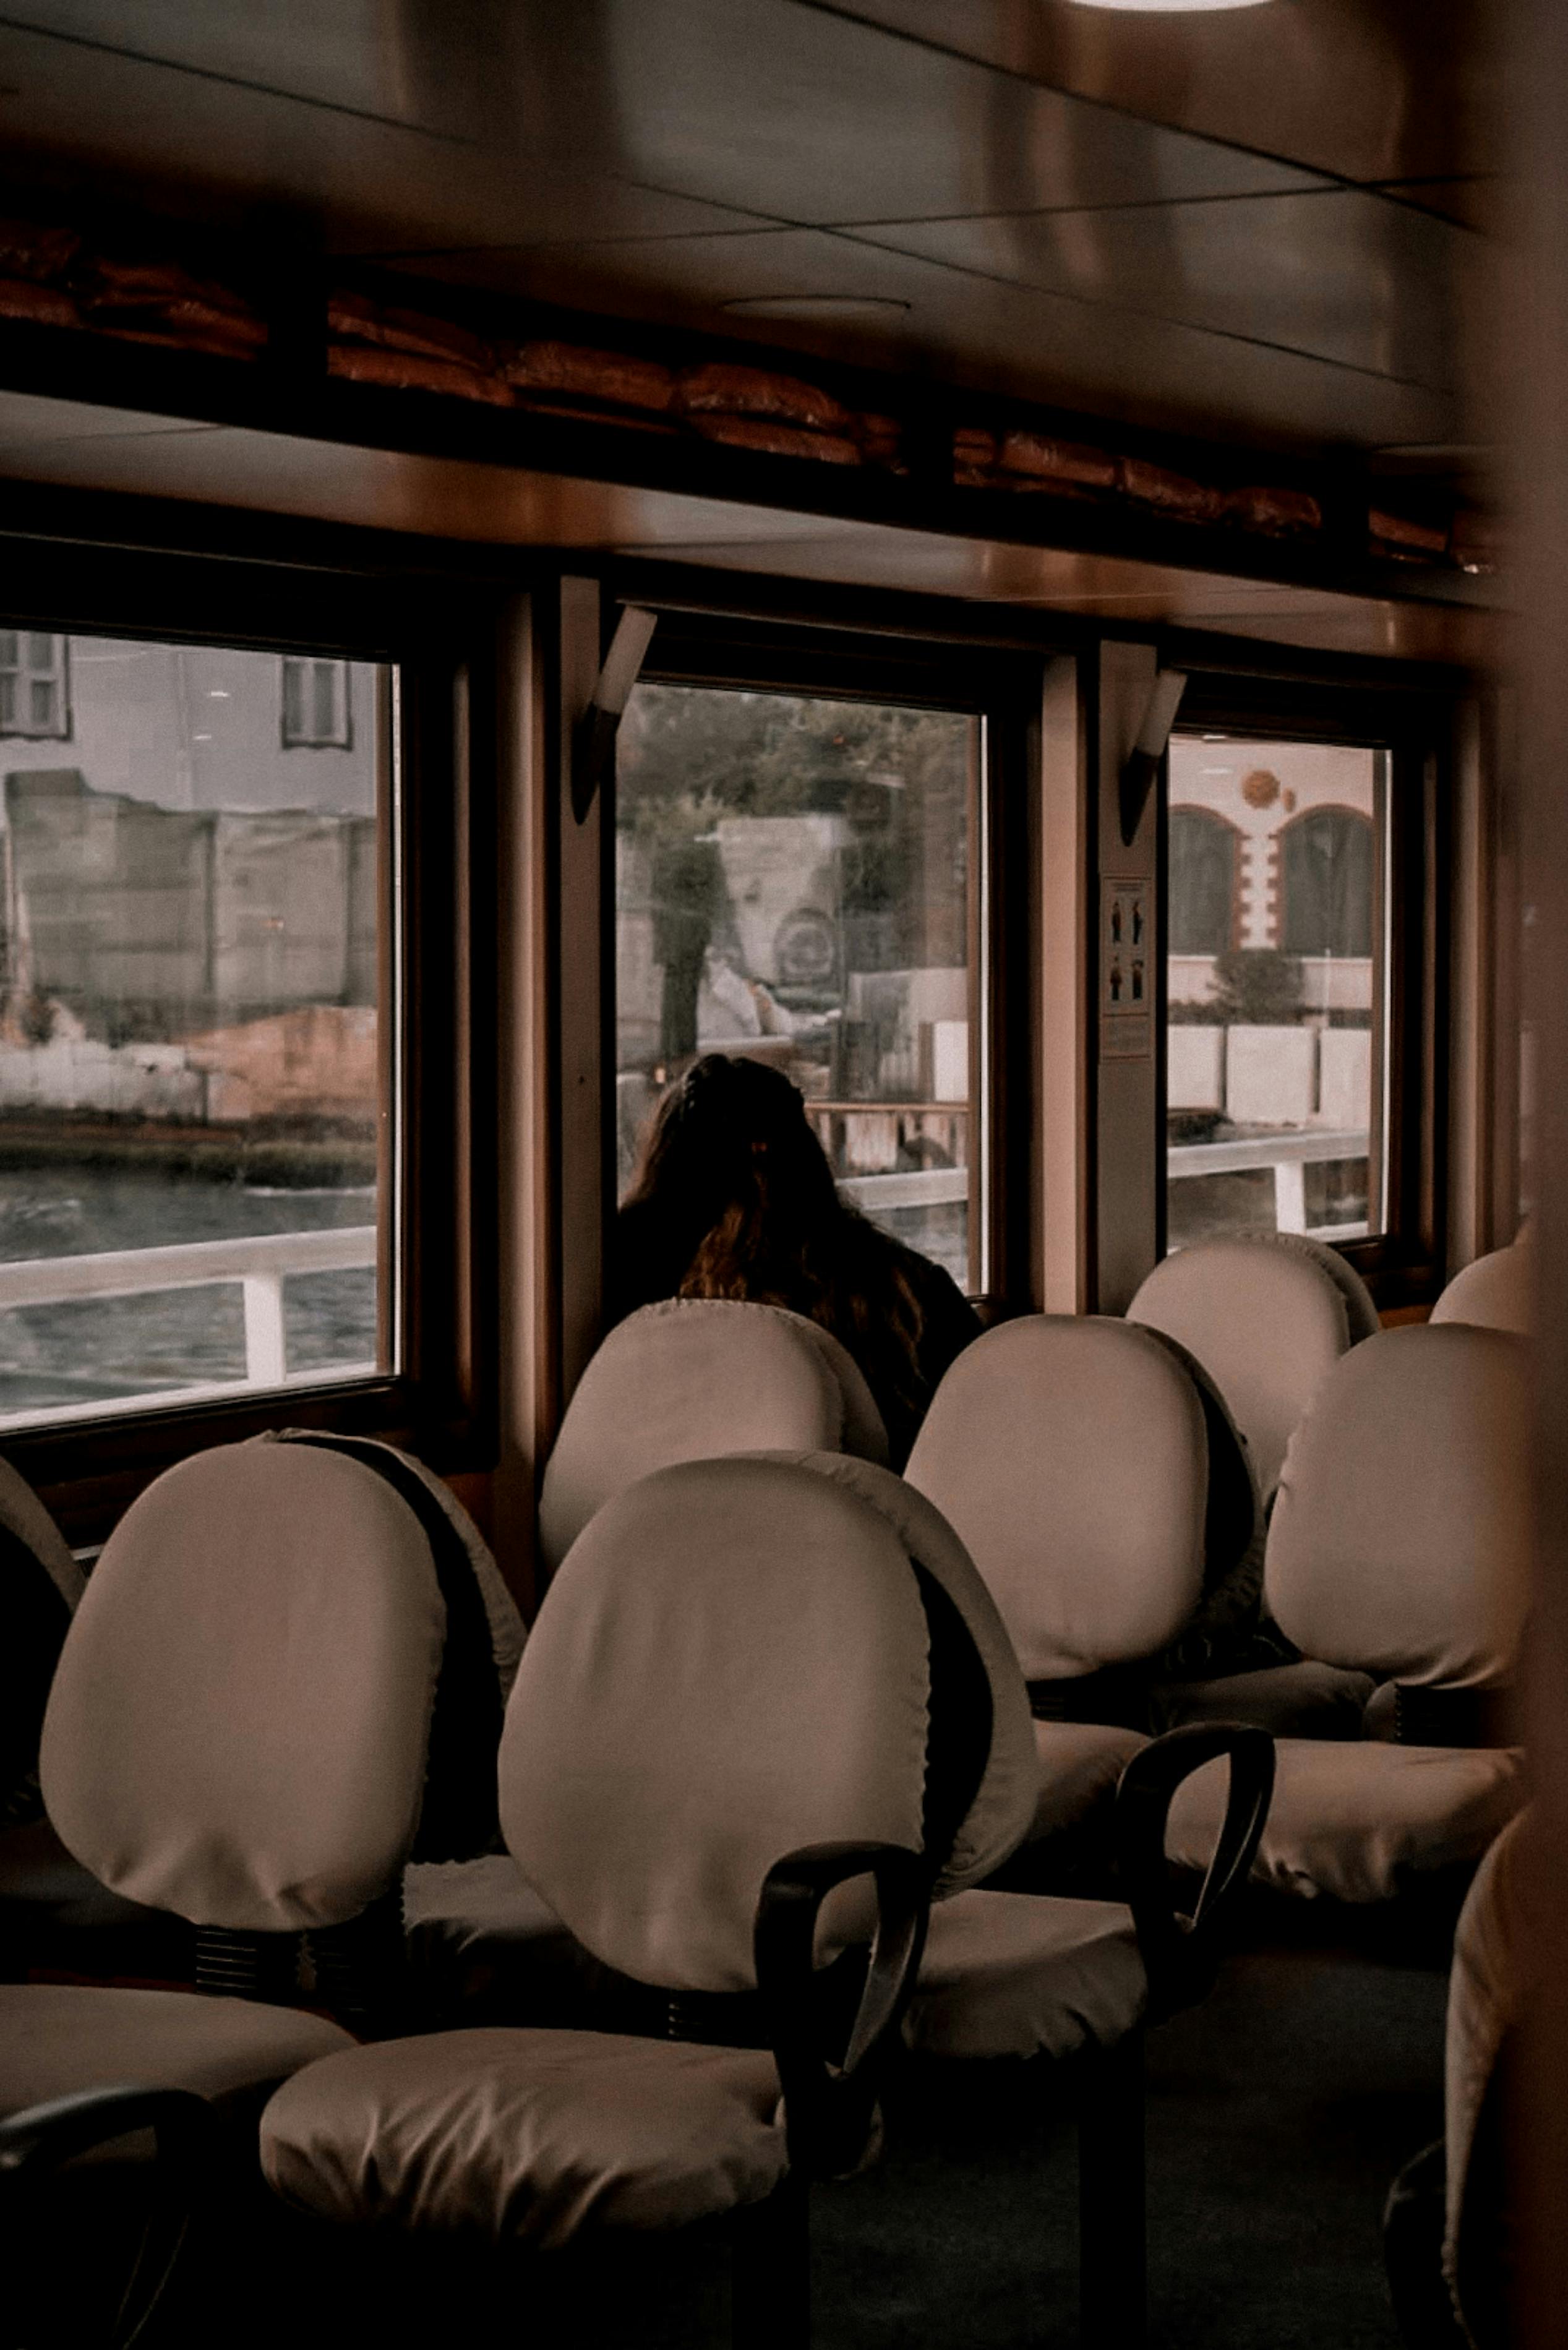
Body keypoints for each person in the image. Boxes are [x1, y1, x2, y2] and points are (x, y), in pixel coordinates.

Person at [610, 1053, 982, 1466]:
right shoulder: (908, 1289)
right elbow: (977, 1433)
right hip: (870, 1521)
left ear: (663, 1163)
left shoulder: (625, 1288)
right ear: (806, 1156)